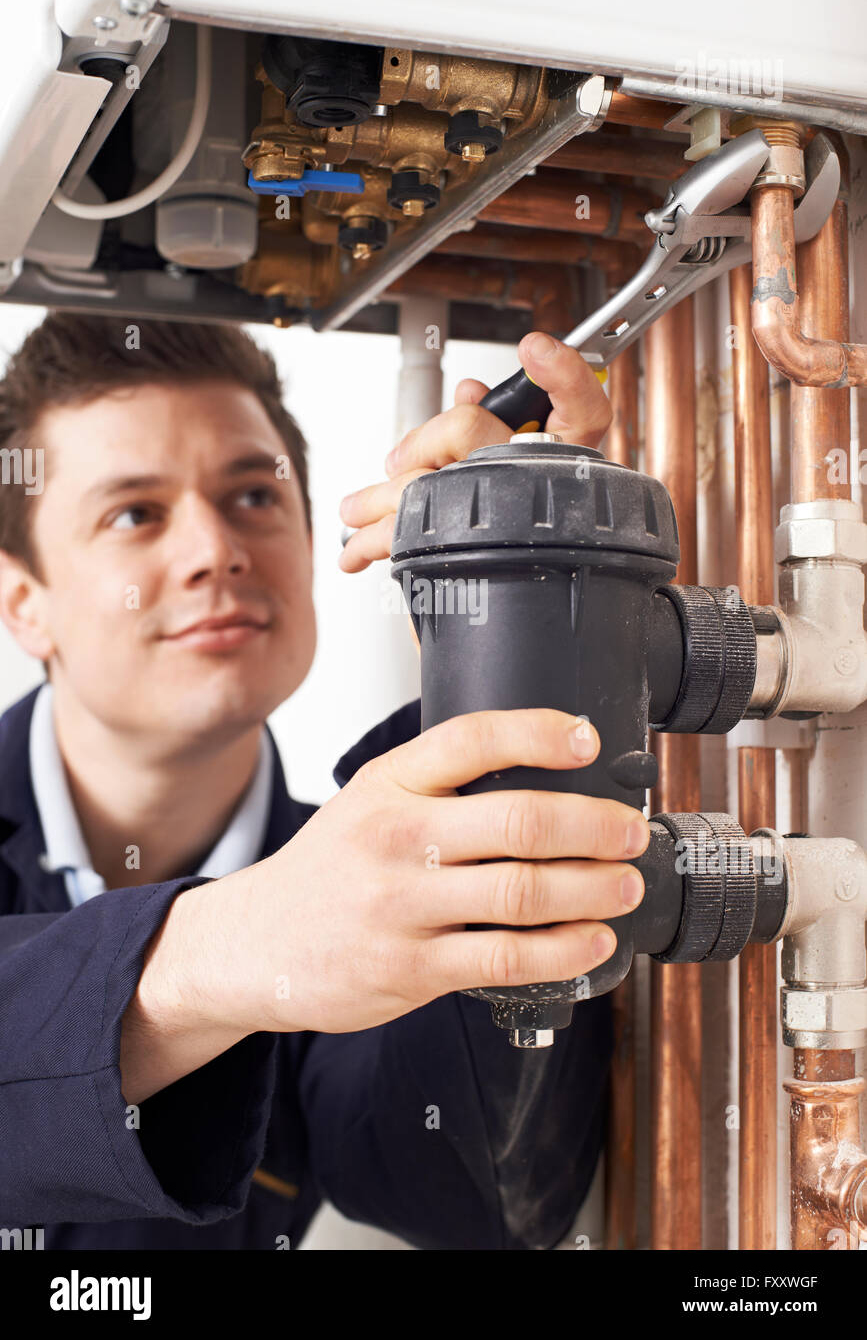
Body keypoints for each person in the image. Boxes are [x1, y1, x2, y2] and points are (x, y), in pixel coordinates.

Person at [0, 313, 648, 1250]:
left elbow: (473, 1199)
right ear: (26, 603)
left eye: (252, 496)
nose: (215, 551)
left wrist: (513, 627)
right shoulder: (307, 905)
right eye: (135, 512)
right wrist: (223, 952)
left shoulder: (359, 883)